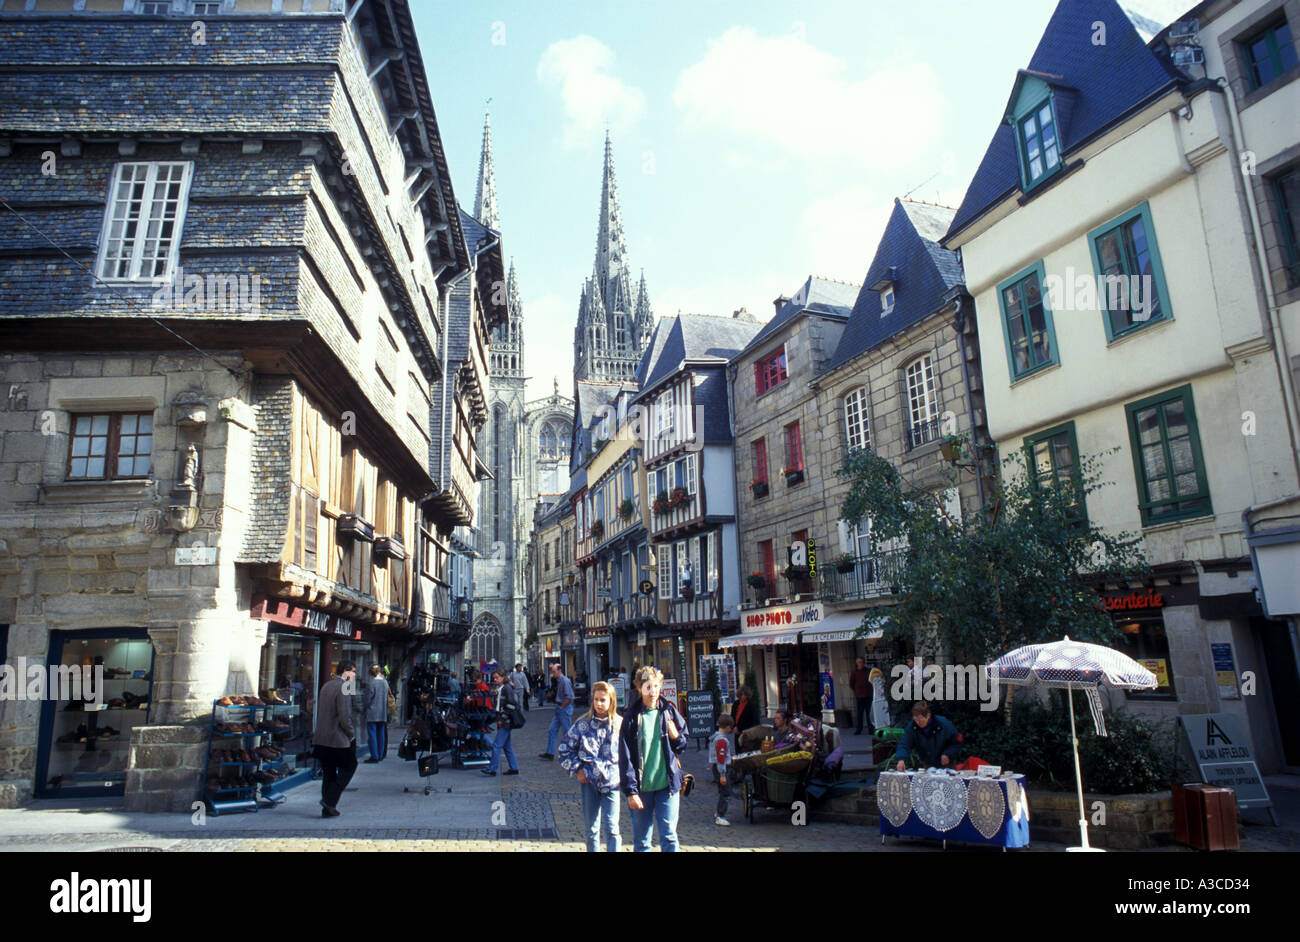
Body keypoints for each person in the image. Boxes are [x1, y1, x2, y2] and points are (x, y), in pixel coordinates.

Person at [619, 665, 689, 852]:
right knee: (642, 842)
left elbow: (682, 746)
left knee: (669, 837)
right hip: (642, 788)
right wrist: (631, 791)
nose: (653, 692)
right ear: (639, 688)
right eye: (648, 687)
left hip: (666, 786)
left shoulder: (668, 711)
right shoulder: (632, 717)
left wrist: (676, 736)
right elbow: (625, 757)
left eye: (656, 686)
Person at [557, 680, 622, 852]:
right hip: (589, 782)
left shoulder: (619, 724)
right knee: (591, 829)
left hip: (612, 782)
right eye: (596, 699)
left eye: (603, 700)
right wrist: (577, 769)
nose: (599, 704)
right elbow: (564, 749)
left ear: (611, 701)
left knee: (612, 828)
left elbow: (631, 754)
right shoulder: (582, 724)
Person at [312, 661, 358, 818]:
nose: (355, 675)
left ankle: (328, 807)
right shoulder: (344, 686)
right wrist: (351, 733)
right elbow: (345, 715)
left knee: (329, 772)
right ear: (345, 671)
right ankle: (330, 800)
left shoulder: (327, 685)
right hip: (337, 738)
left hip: (322, 737)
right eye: (353, 672)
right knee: (350, 766)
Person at [893, 701, 961, 772]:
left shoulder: (943, 724)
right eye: (915, 719)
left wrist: (948, 754)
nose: (918, 722)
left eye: (920, 719)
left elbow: (957, 742)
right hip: (928, 764)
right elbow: (904, 744)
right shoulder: (912, 727)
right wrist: (901, 760)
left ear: (928, 716)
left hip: (947, 764)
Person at [484, 670, 521, 777]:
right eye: (494, 678)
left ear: (503, 677)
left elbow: (511, 706)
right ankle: (514, 768)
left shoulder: (506, 688)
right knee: (507, 746)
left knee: (496, 746)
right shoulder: (501, 689)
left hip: (506, 722)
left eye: (497, 677)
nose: (495, 680)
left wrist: (501, 719)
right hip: (504, 721)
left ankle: (492, 769)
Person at [539, 663, 574, 759]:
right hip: (560, 708)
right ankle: (550, 752)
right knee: (552, 730)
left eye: (554, 671)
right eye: (552, 671)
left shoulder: (565, 681)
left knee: (566, 732)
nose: (552, 673)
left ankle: (570, 753)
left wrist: (562, 707)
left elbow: (569, 697)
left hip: (563, 708)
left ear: (559, 670)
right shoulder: (559, 681)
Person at [709, 713, 735, 827]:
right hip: (721, 768)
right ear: (728, 727)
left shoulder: (715, 737)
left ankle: (719, 813)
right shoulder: (722, 740)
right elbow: (721, 758)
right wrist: (723, 774)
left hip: (717, 767)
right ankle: (720, 815)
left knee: (722, 791)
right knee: (725, 792)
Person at [362, 664, 389, 763]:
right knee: (380, 733)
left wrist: (364, 708)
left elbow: (368, 698)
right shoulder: (385, 682)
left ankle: (374, 755)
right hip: (382, 711)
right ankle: (380, 754)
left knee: (372, 734)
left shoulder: (372, 683)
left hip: (372, 711)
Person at [849, 657, 873, 736]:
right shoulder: (854, 672)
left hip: (868, 694)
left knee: (869, 713)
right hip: (859, 695)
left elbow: (871, 681)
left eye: (862, 662)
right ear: (857, 663)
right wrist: (856, 691)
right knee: (860, 713)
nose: (860, 664)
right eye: (859, 662)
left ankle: (870, 728)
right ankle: (859, 729)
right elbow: (851, 683)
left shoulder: (868, 671)